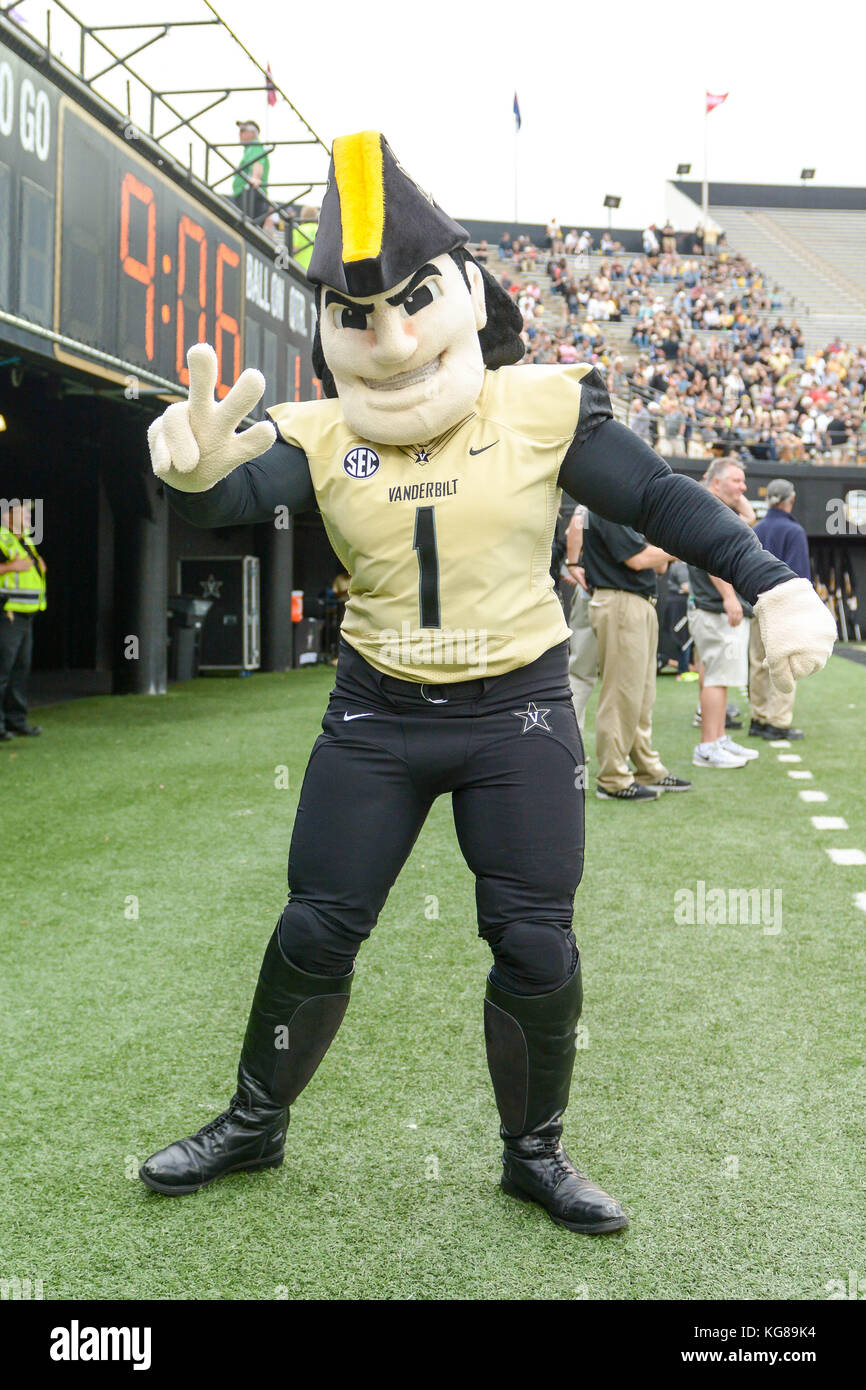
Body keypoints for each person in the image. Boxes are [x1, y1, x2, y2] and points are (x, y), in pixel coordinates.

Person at [143, 130, 835, 1235]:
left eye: (406, 304)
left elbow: (656, 498)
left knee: (532, 938)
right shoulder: (320, 427)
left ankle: (532, 1151)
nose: (389, 336)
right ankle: (253, 1119)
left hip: (513, 710)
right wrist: (185, 466)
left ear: (461, 293)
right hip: (376, 711)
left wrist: (763, 575)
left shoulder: (538, 403)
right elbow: (225, 496)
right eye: (356, 315)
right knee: (316, 926)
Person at [583, 513, 691, 800]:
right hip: (621, 602)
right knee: (621, 695)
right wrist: (680, 545)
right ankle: (613, 778)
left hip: (636, 602)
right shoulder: (605, 505)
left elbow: (657, 565)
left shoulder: (619, 506)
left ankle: (646, 768)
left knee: (641, 696)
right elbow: (638, 559)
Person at [687, 459, 760, 768]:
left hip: (715, 608)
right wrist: (729, 597)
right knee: (717, 679)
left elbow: (750, 516)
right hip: (716, 607)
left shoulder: (715, 508)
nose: (743, 487)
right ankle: (708, 746)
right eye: (736, 481)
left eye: (744, 481)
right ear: (715, 483)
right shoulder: (707, 510)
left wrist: (733, 490)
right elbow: (711, 558)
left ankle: (717, 739)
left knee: (720, 678)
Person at [749, 479, 809, 740]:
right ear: (790, 499)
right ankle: (778, 722)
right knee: (785, 666)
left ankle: (758, 718)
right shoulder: (794, 531)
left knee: (757, 663)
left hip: (758, 603)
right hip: (783, 607)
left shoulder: (757, 529)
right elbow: (798, 574)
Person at [0, 501, 46, 739]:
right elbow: (10, 569)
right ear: (8, 516)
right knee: (2, 672)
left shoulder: (25, 539)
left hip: (26, 614)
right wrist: (9, 567)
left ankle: (16, 721)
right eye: (23, 512)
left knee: (20, 671)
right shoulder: (1, 538)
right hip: (7, 613)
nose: (28, 516)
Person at [563, 506, 597, 731]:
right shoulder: (593, 501)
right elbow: (576, 522)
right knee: (581, 674)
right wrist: (573, 565)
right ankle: (573, 744)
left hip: (620, 592)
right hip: (594, 593)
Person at [231, 120, 270, 225]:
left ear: (253, 133)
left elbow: (257, 163)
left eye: (243, 130)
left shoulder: (255, 146)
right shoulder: (250, 148)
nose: (240, 134)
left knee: (247, 228)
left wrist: (255, 178)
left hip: (250, 196)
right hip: (247, 195)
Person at [292, 206, 319, 271]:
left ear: (303, 216)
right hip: (317, 270)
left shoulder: (298, 229)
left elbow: (293, 249)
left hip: (300, 268)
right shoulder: (320, 229)